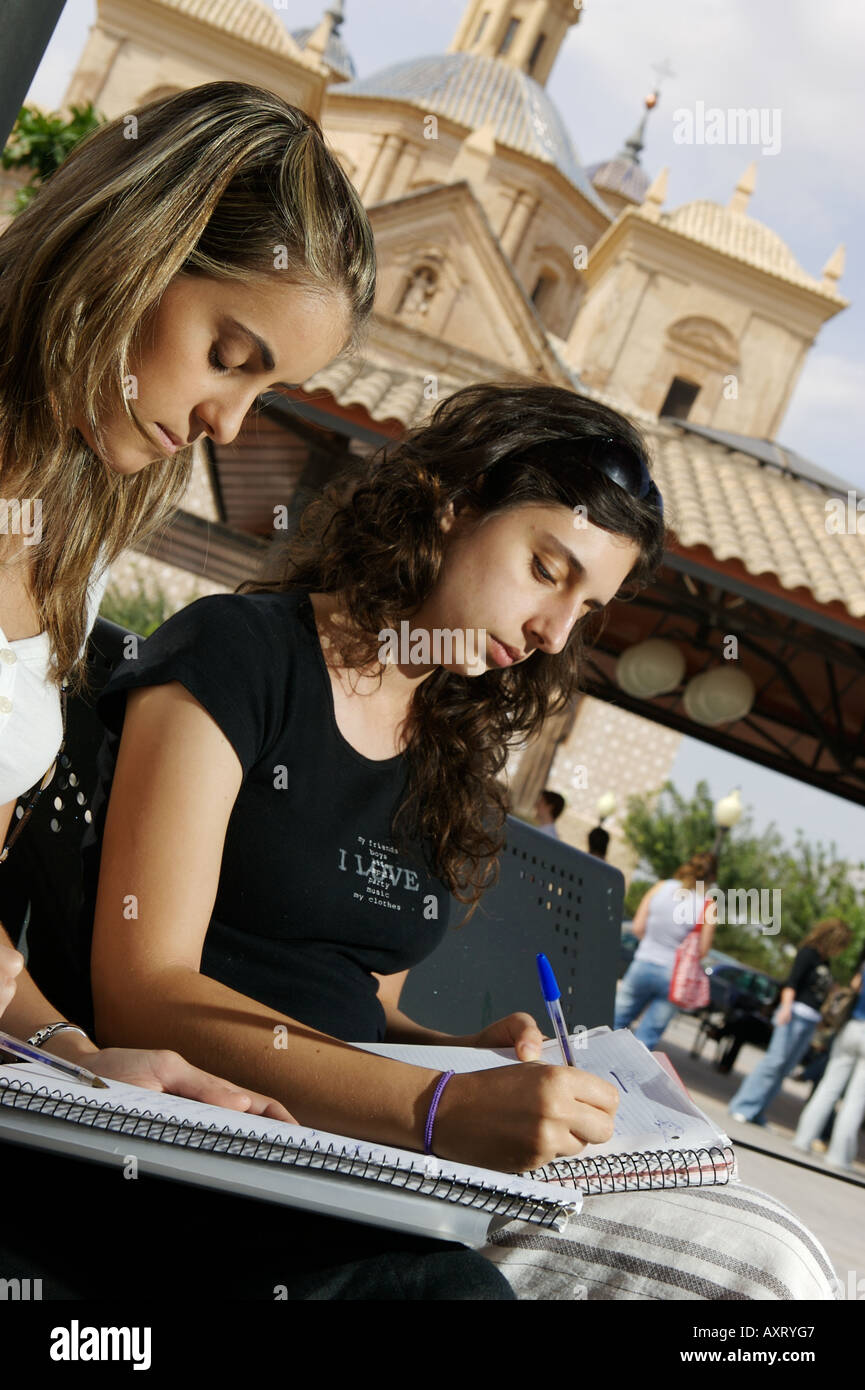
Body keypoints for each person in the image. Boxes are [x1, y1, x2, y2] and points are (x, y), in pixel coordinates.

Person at [44, 380, 839, 1299]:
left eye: (586, 610)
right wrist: (437, 1104)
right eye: (547, 570)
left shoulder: (446, 753)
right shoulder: (239, 655)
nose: (552, 632)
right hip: (212, 1144)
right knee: (753, 1279)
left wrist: (466, 1054)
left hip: (377, 1157)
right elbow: (142, 994)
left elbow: (363, 1004)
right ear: (447, 502)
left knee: (777, 1249)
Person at [0, 81, 512, 1301]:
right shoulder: (240, 656)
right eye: (231, 355)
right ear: (131, 247)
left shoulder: (50, 542)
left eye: (264, 386)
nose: (230, 423)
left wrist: (72, 1047)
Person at [728, 919, 853, 1128]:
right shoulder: (808, 953)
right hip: (794, 1013)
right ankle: (742, 1106)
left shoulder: (825, 962)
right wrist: (785, 1008)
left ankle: (757, 1110)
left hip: (811, 1019)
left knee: (785, 1068)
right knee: (774, 1062)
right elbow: (791, 982)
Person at [614, 853, 718, 1052]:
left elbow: (637, 927)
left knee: (615, 1022)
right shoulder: (707, 905)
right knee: (647, 1037)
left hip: (643, 962)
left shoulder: (661, 887)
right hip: (674, 978)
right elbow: (703, 950)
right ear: (712, 877)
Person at [792, 950, 865, 1171]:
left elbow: (855, 986)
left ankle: (803, 1139)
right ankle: (839, 1157)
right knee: (856, 1100)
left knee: (828, 1087)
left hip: (852, 1027)